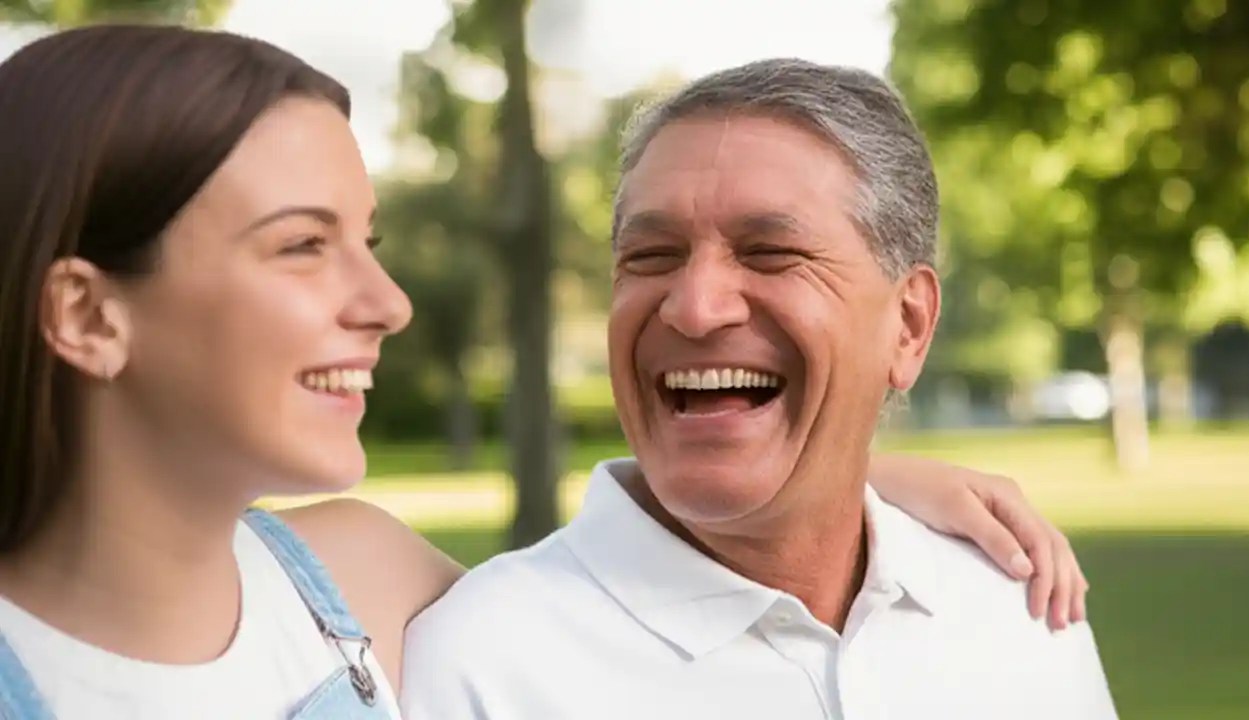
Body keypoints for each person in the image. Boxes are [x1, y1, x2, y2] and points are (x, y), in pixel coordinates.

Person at [0, 26, 1085, 719]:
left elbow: (693, 561)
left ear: (910, 321)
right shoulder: (437, 630)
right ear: (88, 314)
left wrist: (860, 469)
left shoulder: (349, 581)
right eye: (300, 244)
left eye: (368, 240)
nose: (388, 303)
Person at [400, 59, 1117, 719]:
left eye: (771, 253)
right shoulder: (478, 667)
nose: (694, 306)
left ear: (908, 326)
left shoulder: (1020, 606)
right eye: (651, 257)